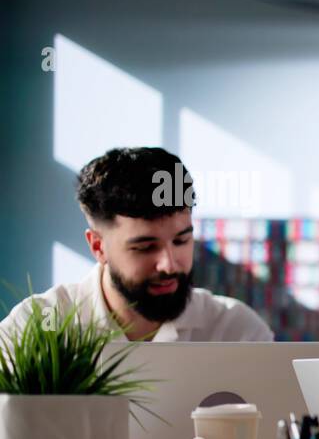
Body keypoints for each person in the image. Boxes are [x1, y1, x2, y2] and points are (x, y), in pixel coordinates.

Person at [0, 147, 272, 343]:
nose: (169, 264)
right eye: (145, 247)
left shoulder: (237, 332)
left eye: (181, 240)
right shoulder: (35, 327)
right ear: (98, 247)